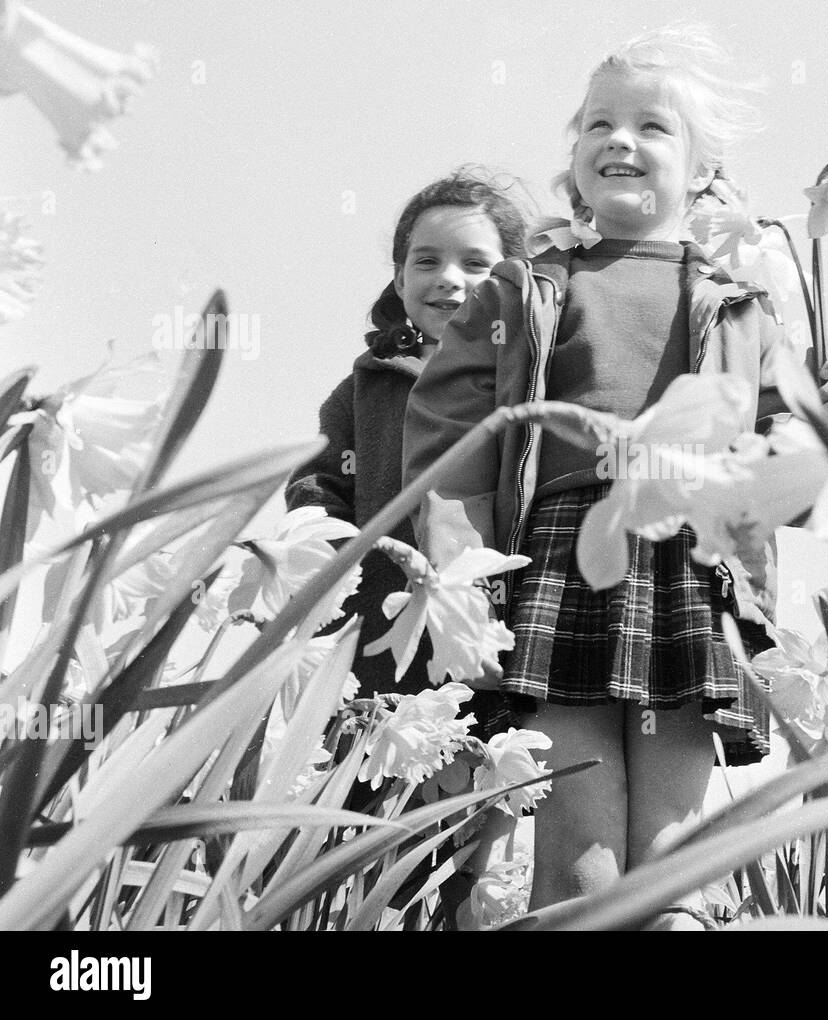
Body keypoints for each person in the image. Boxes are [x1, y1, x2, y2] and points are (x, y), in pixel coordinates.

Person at [402, 26, 828, 929]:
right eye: (599, 124)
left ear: (700, 172)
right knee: (579, 844)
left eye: (652, 126)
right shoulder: (525, 289)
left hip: (692, 565)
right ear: (574, 160)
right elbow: (450, 427)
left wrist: (827, 436)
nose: (621, 140)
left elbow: (790, 486)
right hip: (557, 562)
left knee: (673, 850)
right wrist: (457, 564)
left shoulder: (744, 308)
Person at [285, 166, 532, 927]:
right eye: (426, 260)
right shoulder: (369, 386)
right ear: (397, 276)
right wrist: (333, 538)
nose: (448, 279)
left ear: (514, 283)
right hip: (380, 650)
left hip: (493, 649)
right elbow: (316, 483)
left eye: (476, 264)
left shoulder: (524, 379)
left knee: (473, 839)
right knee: (371, 828)